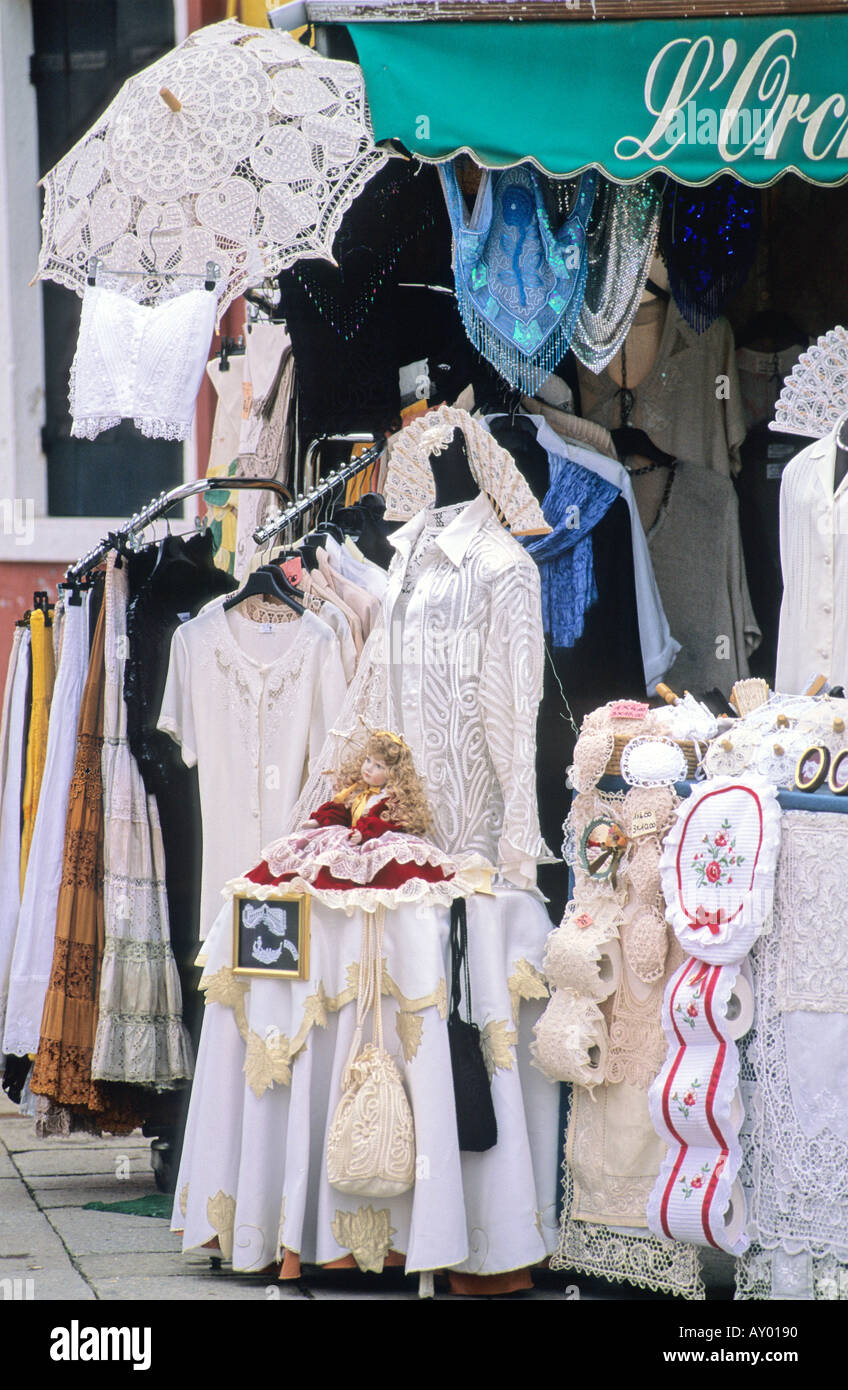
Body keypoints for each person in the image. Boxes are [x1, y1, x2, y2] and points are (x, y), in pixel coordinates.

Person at [242, 728, 486, 912]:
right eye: (368, 760)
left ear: (393, 773)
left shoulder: (391, 798)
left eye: (378, 765)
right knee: (311, 850)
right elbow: (341, 811)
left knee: (384, 869)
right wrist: (319, 821)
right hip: (350, 837)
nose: (369, 768)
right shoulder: (356, 791)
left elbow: (390, 822)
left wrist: (366, 832)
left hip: (372, 840)